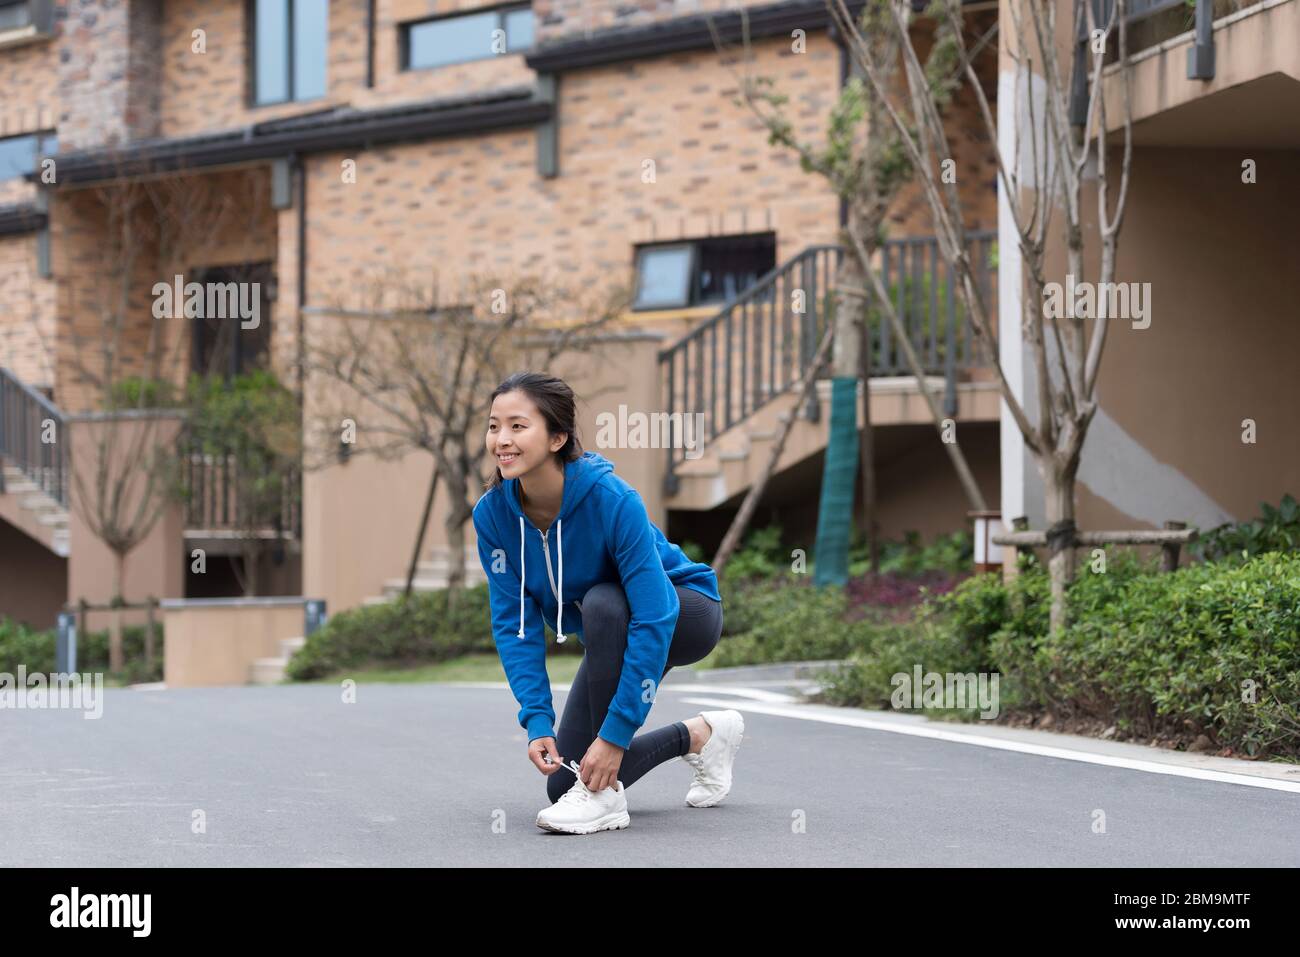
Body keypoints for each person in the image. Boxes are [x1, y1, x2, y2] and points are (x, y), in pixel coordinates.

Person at [472, 371, 745, 835]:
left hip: (687, 611)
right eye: (495, 426)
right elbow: (514, 625)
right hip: (612, 627)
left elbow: (656, 614)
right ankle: (701, 736)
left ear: (558, 437)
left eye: (518, 426)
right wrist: (538, 721)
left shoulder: (612, 500)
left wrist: (616, 735)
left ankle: (604, 798)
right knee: (564, 785)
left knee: (602, 602)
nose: (502, 439)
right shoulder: (494, 517)